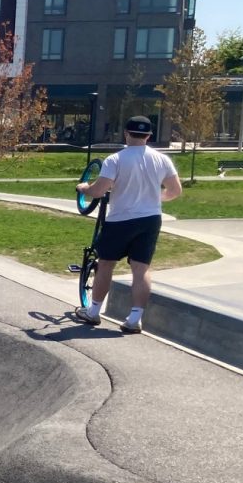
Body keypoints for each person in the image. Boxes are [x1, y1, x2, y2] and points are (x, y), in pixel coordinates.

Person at [75, 115, 182, 333]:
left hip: (121, 219)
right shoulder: (162, 160)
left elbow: (98, 191)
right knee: (141, 269)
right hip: (151, 219)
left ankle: (93, 311)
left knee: (106, 264)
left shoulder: (115, 159)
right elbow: (175, 191)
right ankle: (134, 319)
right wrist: (153, 197)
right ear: (149, 135)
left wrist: (83, 187)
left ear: (126, 133)